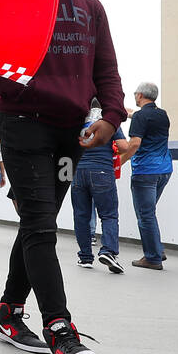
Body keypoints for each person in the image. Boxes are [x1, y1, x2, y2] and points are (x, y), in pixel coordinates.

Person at [0, 0, 125, 354]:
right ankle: (62, 332)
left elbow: (107, 71)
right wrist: (23, 87)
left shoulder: (90, 8)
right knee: (41, 224)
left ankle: (8, 311)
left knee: (37, 224)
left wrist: (112, 118)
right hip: (23, 125)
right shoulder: (9, 0)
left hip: (70, 135)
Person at [117, 82, 173, 271]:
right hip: (164, 170)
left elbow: (133, 144)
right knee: (149, 213)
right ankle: (157, 249)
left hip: (145, 171)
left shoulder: (141, 116)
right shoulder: (162, 114)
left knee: (145, 215)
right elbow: (147, 120)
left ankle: (153, 258)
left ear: (140, 95)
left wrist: (117, 163)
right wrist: (132, 114)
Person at [70, 100, 125, 271]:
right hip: (102, 171)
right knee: (108, 215)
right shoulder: (108, 122)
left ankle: (85, 256)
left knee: (81, 216)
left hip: (77, 172)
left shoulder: (75, 121)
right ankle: (108, 251)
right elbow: (124, 147)